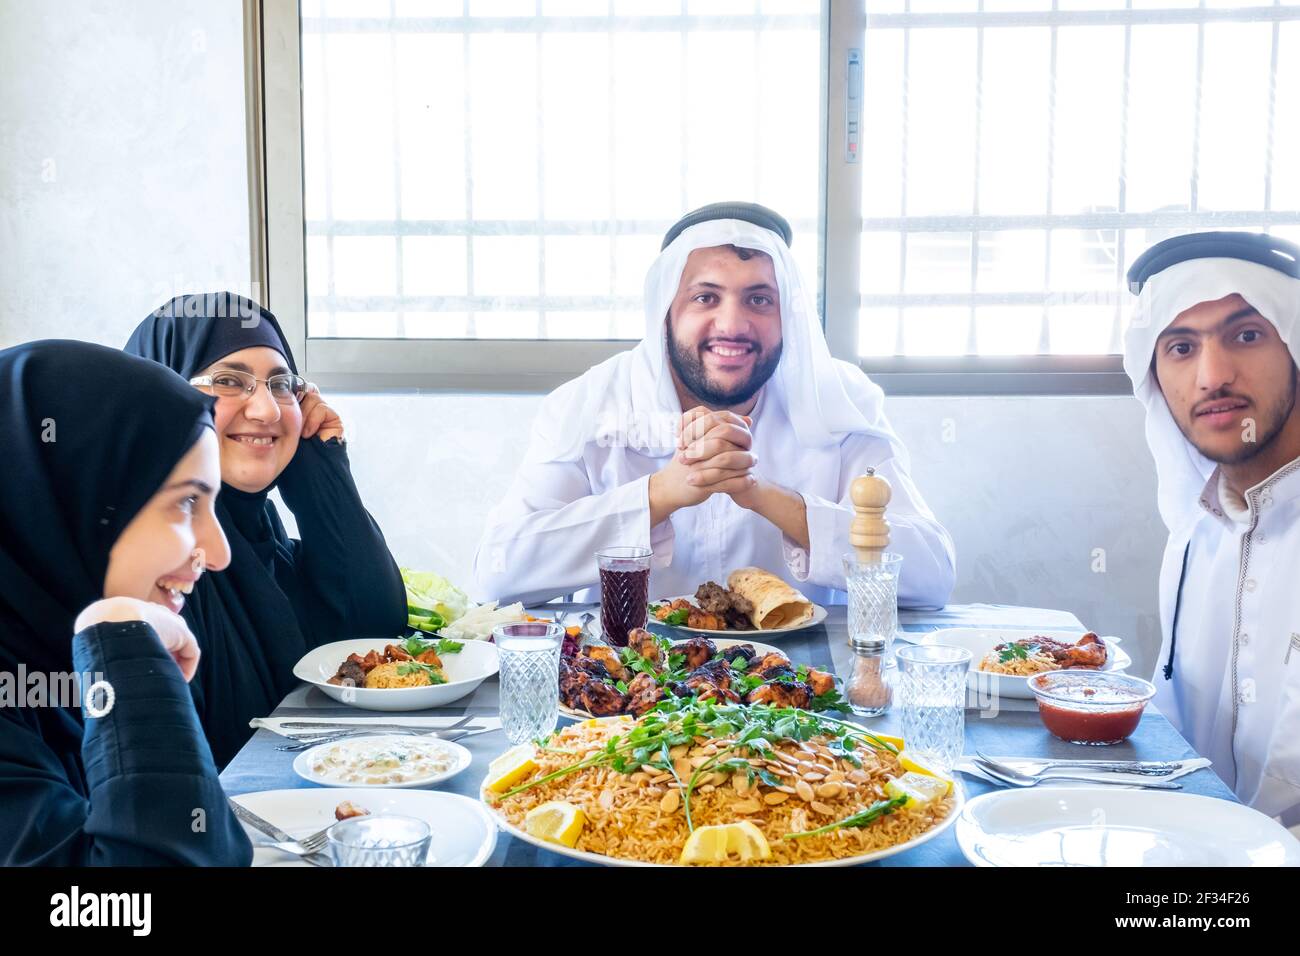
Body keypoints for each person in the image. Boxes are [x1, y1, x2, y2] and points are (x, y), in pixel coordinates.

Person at [474, 202, 955, 608]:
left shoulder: (839, 401)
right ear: (666, 311)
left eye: (759, 300)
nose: (733, 324)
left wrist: (762, 494)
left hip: (795, 695)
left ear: (788, 315)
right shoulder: (590, 403)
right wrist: (660, 495)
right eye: (706, 297)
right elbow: (498, 572)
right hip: (621, 698)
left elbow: (931, 575)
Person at [125, 292, 405, 767]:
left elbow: (373, 628)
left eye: (281, 386)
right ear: (162, 396)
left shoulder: (265, 539)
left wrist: (319, 467)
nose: (268, 410)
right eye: (230, 382)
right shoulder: (147, 561)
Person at [0, 340, 252, 865]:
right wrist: (121, 648)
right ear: (68, 495)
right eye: (186, 501)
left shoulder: (43, 668)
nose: (221, 553)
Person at [1124, 230, 1300, 824]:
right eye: (1180, 348)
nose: (1212, 375)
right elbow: (1171, 750)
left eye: (1246, 336)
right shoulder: (1197, 537)